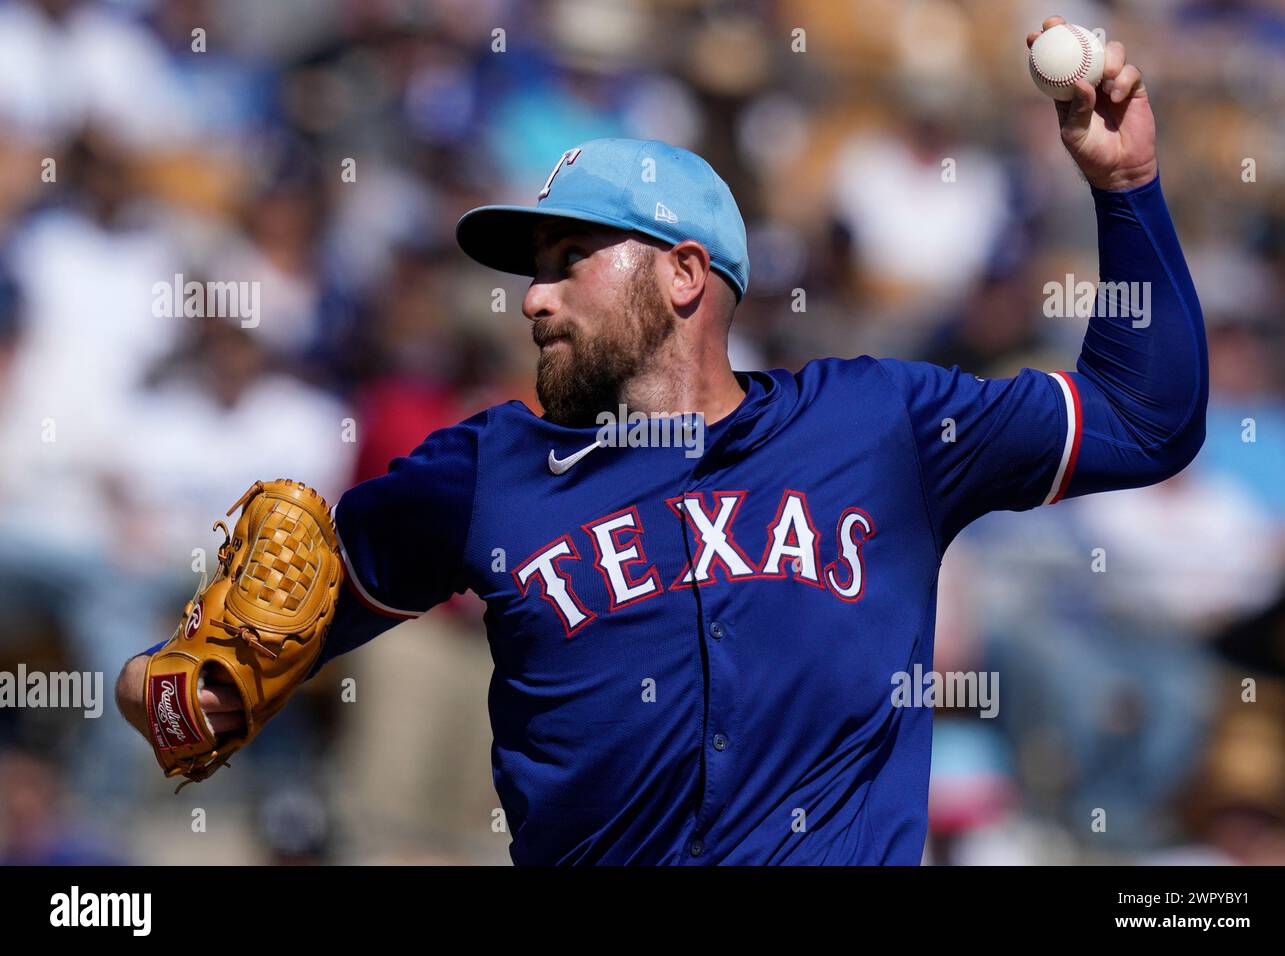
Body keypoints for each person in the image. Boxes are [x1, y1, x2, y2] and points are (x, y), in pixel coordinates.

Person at [118, 17, 1207, 865]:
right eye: (531, 271)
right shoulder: (487, 470)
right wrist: (170, 689)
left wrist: (1125, 191)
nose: (534, 298)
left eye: (567, 259)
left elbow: (1144, 419)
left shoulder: (882, 428)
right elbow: (203, 682)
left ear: (684, 274)